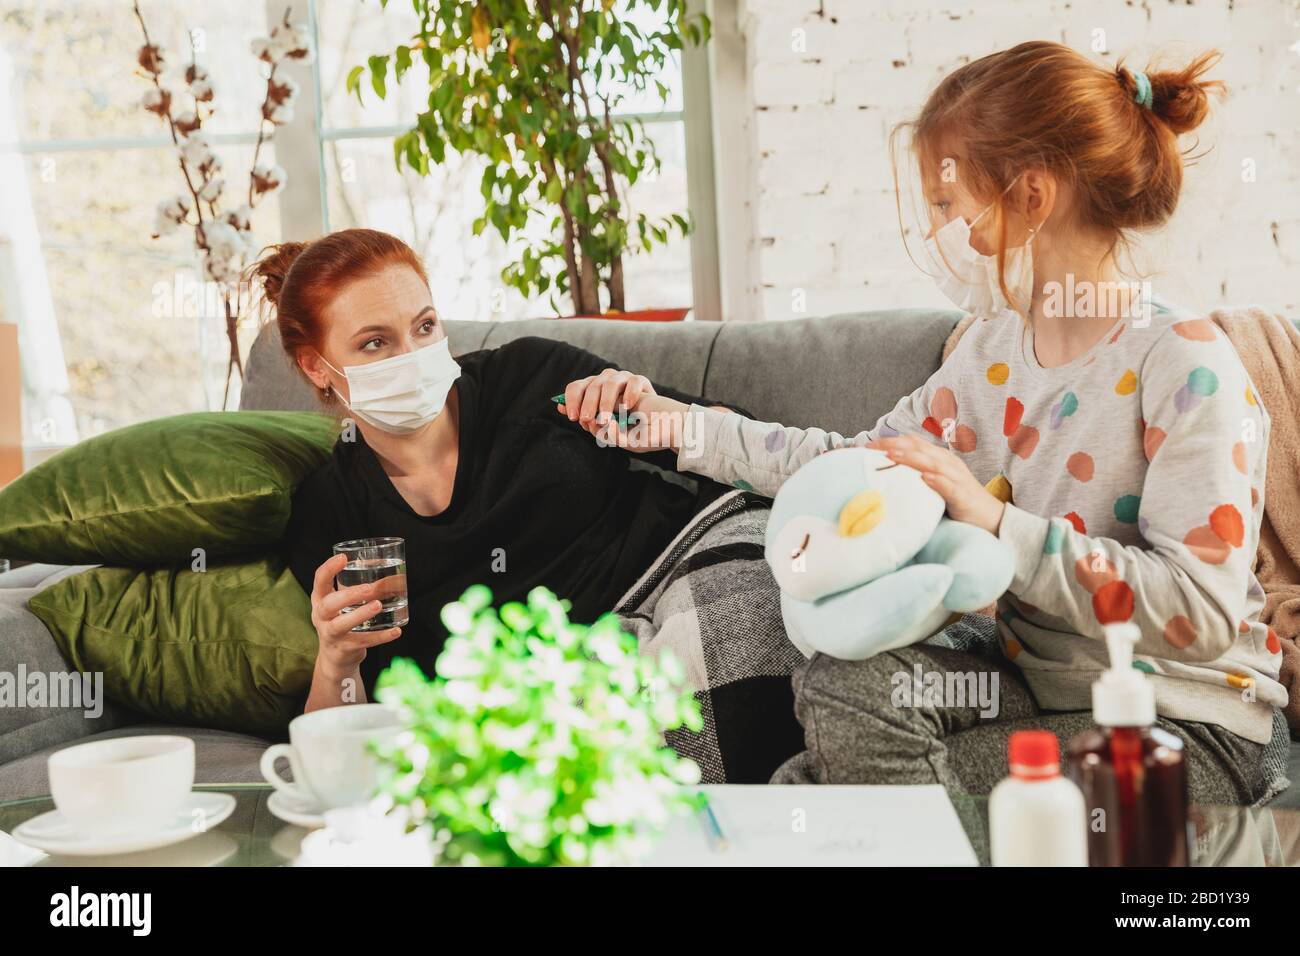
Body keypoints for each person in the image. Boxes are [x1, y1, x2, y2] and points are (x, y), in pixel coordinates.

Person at [563, 42, 1284, 804]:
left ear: (1032, 196)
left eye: (949, 205)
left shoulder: (1185, 363)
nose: (946, 233)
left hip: (1178, 725)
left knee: (818, 790)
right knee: (846, 684)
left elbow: (1201, 612)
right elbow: (858, 462)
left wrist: (998, 524)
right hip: (1041, 688)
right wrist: (684, 428)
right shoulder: (992, 352)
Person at [256, 228, 741, 712]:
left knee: (726, 656)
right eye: (375, 343)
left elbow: (741, 442)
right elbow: (344, 739)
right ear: (316, 366)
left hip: (692, 567)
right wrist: (337, 660)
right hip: (568, 691)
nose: (413, 357)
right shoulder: (329, 512)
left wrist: (652, 409)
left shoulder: (531, 374)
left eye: (424, 327)